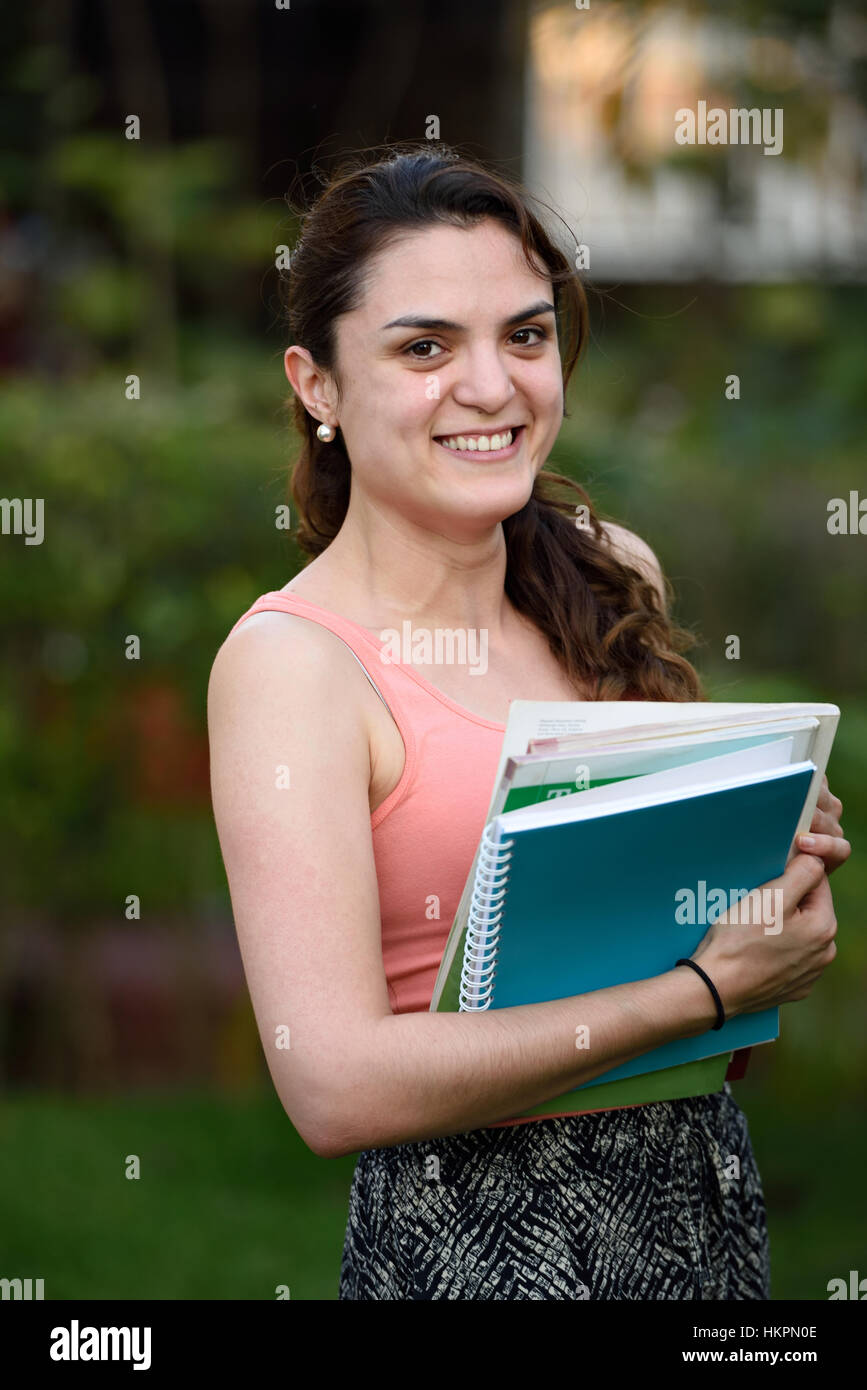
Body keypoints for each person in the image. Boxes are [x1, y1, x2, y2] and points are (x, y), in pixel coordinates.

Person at [207, 143, 850, 1300]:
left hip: (697, 1210)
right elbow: (334, 1087)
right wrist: (704, 990)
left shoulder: (611, 576)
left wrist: (762, 876)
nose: (492, 386)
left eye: (525, 334)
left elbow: (711, 1032)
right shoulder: (293, 668)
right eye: (424, 347)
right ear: (318, 386)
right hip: (471, 1244)